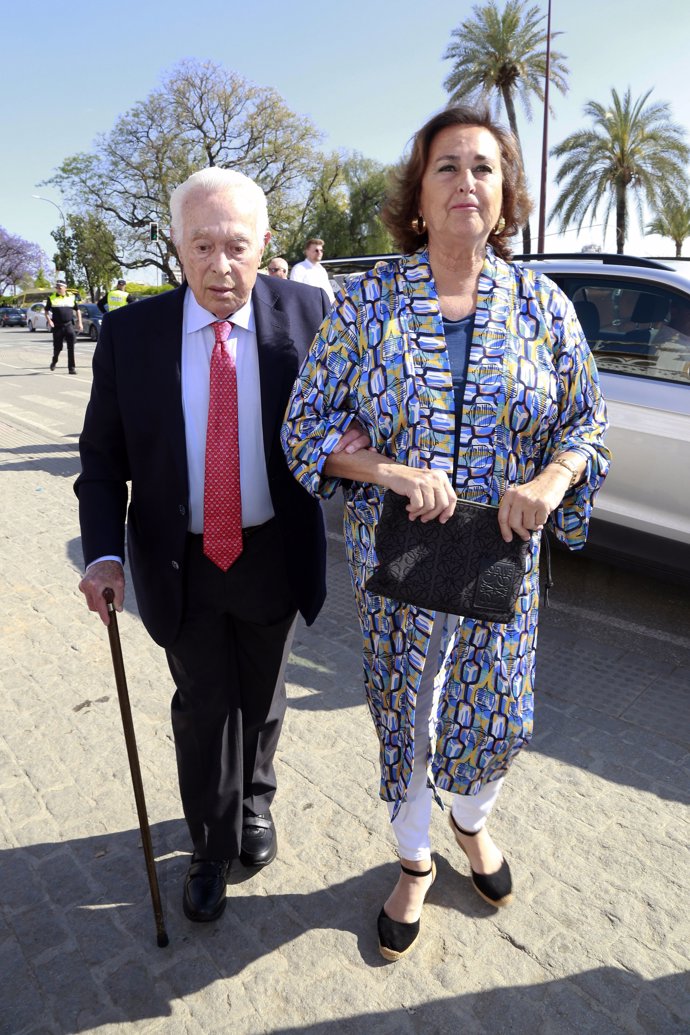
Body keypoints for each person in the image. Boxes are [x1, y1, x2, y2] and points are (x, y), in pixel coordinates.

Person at [282, 106, 611, 961]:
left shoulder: (543, 306)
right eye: (447, 167)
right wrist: (386, 469)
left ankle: (471, 821)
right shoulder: (368, 303)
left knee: (496, 714)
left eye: (484, 168)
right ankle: (415, 858)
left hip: (500, 561)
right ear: (419, 198)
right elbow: (304, 426)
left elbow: (586, 424)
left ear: (505, 197)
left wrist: (550, 481)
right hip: (398, 560)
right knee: (404, 711)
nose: (467, 181)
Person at [76, 167, 336, 925]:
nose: (221, 266)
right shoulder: (130, 335)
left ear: (265, 243)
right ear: (176, 244)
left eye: (238, 246)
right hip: (180, 557)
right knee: (202, 703)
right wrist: (102, 555)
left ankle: (255, 800)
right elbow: (102, 461)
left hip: (273, 550)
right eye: (202, 246)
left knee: (263, 692)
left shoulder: (311, 313)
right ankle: (211, 843)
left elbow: (350, 412)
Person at [46, 278, 82, 373]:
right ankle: (54, 361)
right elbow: (46, 311)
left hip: (69, 325)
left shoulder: (71, 297)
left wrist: (80, 323)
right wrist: (49, 320)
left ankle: (71, 368)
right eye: (57, 287)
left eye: (60, 287)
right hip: (57, 326)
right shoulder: (51, 298)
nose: (58, 289)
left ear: (65, 288)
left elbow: (77, 310)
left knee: (71, 347)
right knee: (58, 348)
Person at [289, 238, 335, 303]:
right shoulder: (299, 269)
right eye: (316, 250)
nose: (319, 253)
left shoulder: (322, 270)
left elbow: (329, 292)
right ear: (307, 252)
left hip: (325, 307)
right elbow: (294, 292)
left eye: (321, 250)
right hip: (307, 307)